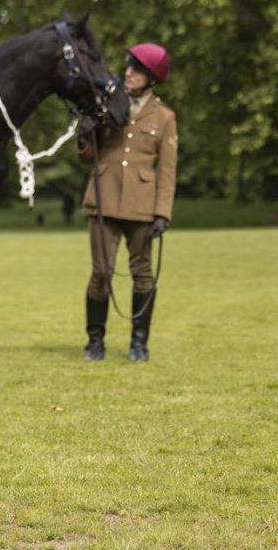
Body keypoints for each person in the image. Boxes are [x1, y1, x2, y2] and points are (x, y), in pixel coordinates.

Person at [77, 42, 176, 362]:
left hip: (142, 205)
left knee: (143, 274)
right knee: (101, 272)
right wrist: (84, 134)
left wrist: (162, 212)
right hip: (104, 199)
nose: (128, 73)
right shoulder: (106, 104)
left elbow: (167, 170)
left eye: (137, 70)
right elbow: (88, 157)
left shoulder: (164, 117)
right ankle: (95, 340)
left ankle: (138, 343)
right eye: (129, 66)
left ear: (152, 78)